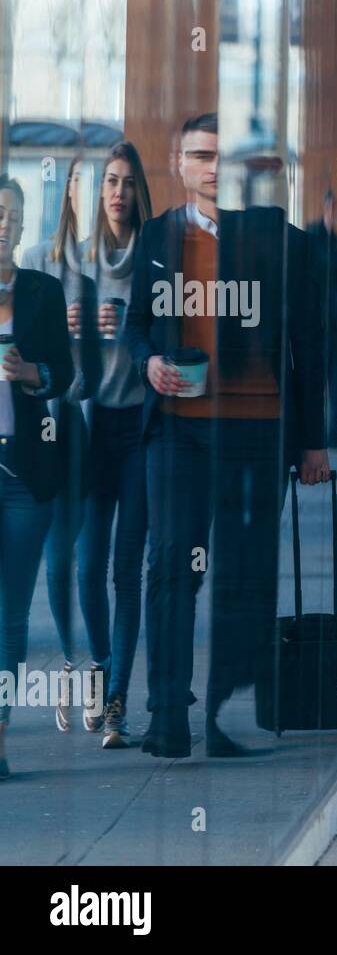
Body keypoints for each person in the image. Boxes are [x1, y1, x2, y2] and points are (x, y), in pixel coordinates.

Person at [124, 112, 328, 759]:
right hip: (177, 432)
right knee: (170, 567)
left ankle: (219, 711)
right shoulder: (156, 237)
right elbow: (134, 326)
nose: (210, 168)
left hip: (253, 434)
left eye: (220, 157)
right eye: (199, 156)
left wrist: (313, 442)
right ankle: (166, 714)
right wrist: (147, 362)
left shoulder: (278, 240)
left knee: (240, 577)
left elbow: (308, 347)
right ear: (179, 165)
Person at [19, 157, 103, 735]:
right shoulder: (32, 268)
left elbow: (89, 380)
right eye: (81, 180)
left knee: (88, 566)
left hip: (91, 434)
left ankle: (96, 673)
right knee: (55, 567)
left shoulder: (103, 272)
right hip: (42, 440)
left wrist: (86, 340)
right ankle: (73, 667)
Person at [0, 174, 76, 779]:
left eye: (11, 215)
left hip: (25, 474)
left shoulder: (43, 293)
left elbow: (67, 375)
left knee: (10, 613)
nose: (2, 223)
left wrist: (31, 372)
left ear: (23, 227)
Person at [79, 143, 153, 749]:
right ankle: (102, 670)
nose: (118, 192)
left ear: (139, 192)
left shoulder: (155, 259)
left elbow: (172, 328)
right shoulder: (79, 263)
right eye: (110, 181)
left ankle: (117, 706)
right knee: (86, 569)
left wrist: (128, 325)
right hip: (92, 426)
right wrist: (71, 326)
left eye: (127, 182)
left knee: (126, 569)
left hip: (141, 432)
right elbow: (59, 362)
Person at [308, 190, 337, 448]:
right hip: (322, 322)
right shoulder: (314, 235)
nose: (332, 212)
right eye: (330, 207)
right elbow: (316, 272)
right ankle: (318, 435)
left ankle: (334, 434)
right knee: (319, 380)